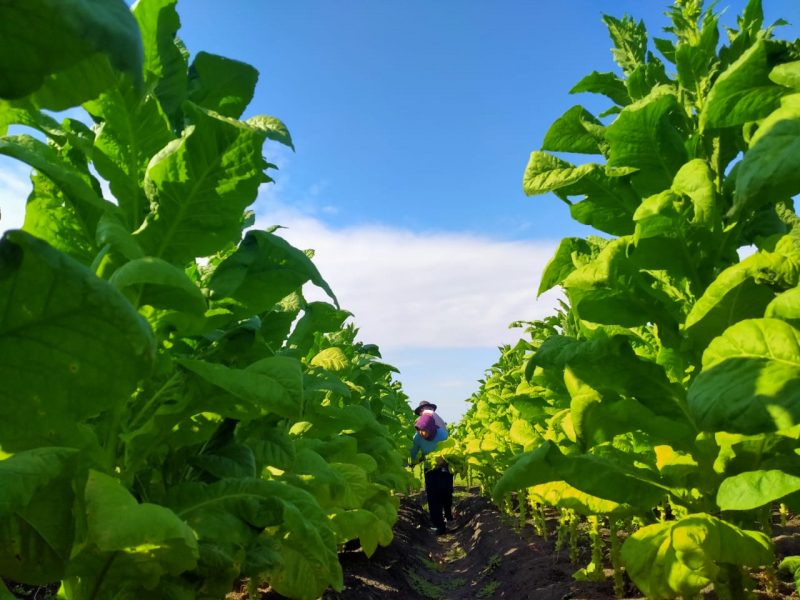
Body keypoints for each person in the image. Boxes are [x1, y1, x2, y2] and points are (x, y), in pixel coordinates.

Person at [424, 456, 454, 535]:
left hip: (445, 469)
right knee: (433, 497)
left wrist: (446, 461)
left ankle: (448, 517)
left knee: (446, 494)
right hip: (430, 470)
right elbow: (413, 456)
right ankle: (438, 525)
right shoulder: (419, 442)